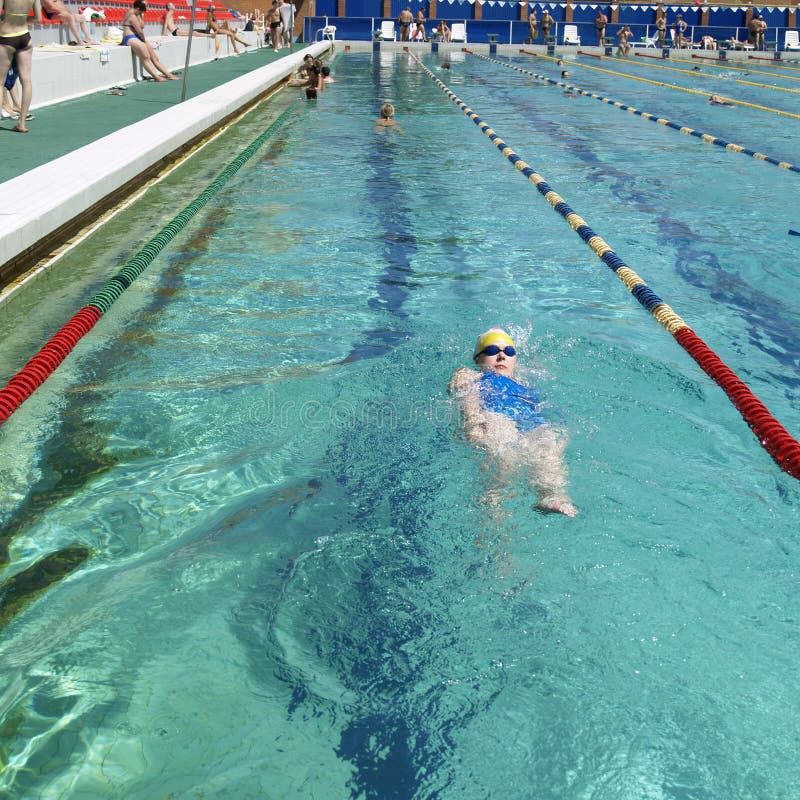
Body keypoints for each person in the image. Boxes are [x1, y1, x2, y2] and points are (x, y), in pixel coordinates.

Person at [450, 328, 578, 517]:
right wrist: (474, 424)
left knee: (549, 446)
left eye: (509, 352)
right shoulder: (469, 374)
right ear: (478, 358)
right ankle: (493, 505)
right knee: (505, 456)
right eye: (492, 350)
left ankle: (550, 495)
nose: (502, 356)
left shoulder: (523, 378)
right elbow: (467, 397)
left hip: (530, 420)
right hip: (496, 416)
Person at [0, 0, 40, 132]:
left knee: (0, 82)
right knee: (26, 81)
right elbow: (37, 19)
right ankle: (21, 124)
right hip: (24, 36)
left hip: (6, 36)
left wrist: (8, 18)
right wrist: (20, 17)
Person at [121, 0, 178, 81]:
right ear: (138, 7)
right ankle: (157, 77)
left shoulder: (138, 13)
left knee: (154, 58)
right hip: (129, 37)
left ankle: (168, 75)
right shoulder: (132, 15)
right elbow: (140, 31)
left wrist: (141, 14)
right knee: (146, 56)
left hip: (137, 37)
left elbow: (142, 26)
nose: (146, 8)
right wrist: (144, 40)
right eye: (144, 6)